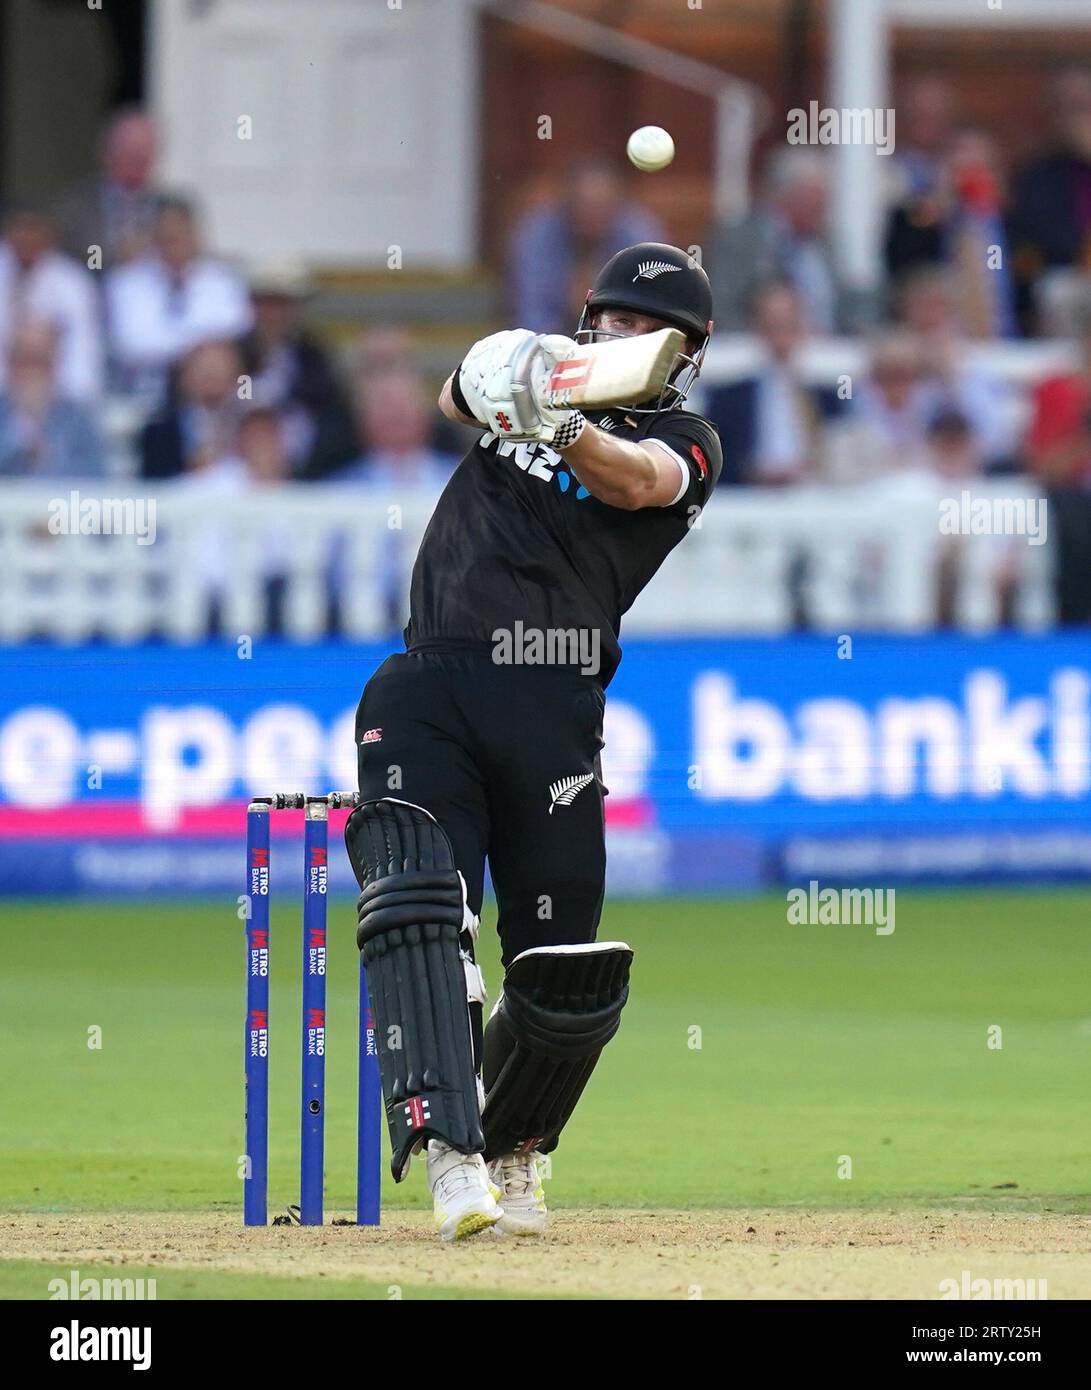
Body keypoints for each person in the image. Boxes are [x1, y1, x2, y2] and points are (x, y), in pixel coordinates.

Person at [344, 243, 721, 1242]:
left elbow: (635, 481)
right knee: (422, 908)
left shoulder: (686, 440)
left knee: (561, 962)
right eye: (612, 316)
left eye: (647, 326)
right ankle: (452, 1157)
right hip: (428, 676)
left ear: (685, 352)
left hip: (550, 695)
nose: (622, 335)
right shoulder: (544, 372)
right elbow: (453, 397)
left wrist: (555, 421)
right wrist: (507, 372)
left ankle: (519, 1154)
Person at [105, 195, 252, 405]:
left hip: (216, 392)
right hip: (144, 394)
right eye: (166, 234)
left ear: (195, 235)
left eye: (180, 233)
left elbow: (236, 328)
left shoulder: (222, 279)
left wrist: (179, 343)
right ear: (153, 237)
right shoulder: (126, 282)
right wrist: (197, 345)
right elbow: (131, 344)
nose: (173, 242)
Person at [704, 279, 848, 486]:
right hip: (748, 502)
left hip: (814, 500)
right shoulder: (727, 398)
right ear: (757, 327)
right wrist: (753, 473)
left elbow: (843, 460)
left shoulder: (828, 395)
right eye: (773, 324)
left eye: (789, 323)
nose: (782, 334)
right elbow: (712, 462)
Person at [507, 158, 663, 333]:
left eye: (602, 204)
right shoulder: (537, 237)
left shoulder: (639, 236)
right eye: (584, 203)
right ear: (566, 201)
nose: (592, 213)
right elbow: (531, 315)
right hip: (554, 343)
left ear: (618, 203)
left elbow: (652, 310)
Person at [238, 262, 356, 477]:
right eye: (268, 303)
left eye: (283, 304)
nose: (275, 314)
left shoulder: (314, 355)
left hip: (307, 467)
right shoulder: (235, 354)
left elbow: (330, 408)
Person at [710, 148, 839, 332]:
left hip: (827, 354)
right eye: (815, 198)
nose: (823, 209)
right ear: (788, 195)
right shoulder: (740, 240)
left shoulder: (825, 243)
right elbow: (721, 305)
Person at [0, 207, 103, 403]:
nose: (26, 239)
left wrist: (71, 403)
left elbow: (83, 354)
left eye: (33, 232)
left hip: (58, 397)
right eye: (20, 231)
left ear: (48, 237)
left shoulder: (73, 282)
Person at [52, 107, 160, 268]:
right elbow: (79, 259)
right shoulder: (77, 207)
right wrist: (117, 257)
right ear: (107, 153)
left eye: (144, 153)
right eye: (131, 152)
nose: (139, 160)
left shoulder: (168, 209)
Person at [0, 321, 105, 477]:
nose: (32, 372)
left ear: (56, 366)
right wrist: (19, 446)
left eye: (41, 362)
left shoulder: (79, 422)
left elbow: (98, 479)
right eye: (24, 360)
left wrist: (48, 461)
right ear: (9, 363)